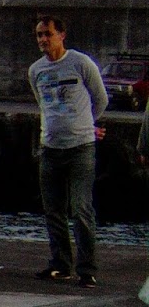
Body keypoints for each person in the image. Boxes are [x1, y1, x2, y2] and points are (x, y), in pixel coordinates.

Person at [28, 16, 107, 286]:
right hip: (50, 148)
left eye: (47, 34)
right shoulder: (36, 71)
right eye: (39, 35)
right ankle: (60, 264)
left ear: (62, 35)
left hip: (80, 149)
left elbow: (100, 99)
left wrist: (86, 125)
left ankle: (87, 269)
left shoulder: (81, 64)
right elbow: (43, 106)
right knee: (53, 210)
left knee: (81, 208)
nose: (42, 40)